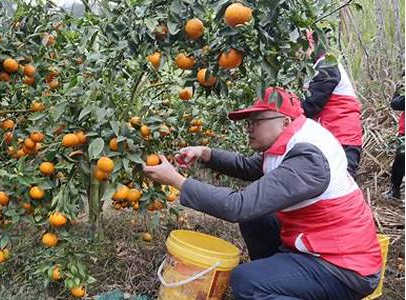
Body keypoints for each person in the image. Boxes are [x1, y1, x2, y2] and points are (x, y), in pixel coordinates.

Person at [143, 87, 382, 300]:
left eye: (256, 121)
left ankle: (270, 285)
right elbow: (249, 167)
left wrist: (176, 181)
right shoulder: (288, 142)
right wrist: (205, 153)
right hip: (316, 246)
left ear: (285, 122)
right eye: (248, 122)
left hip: (344, 268)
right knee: (256, 218)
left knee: (246, 282)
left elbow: (238, 206)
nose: (249, 128)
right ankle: (277, 278)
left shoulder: (309, 158)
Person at [301, 33, 363, 178]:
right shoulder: (316, 67)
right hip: (331, 137)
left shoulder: (327, 65)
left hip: (342, 138)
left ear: (310, 44)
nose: (296, 53)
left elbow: (311, 105)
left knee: (343, 184)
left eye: (299, 47)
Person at [384, 80, 404, 200]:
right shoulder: (403, 84)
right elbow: (395, 103)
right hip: (405, 132)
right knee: (400, 161)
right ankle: (394, 190)